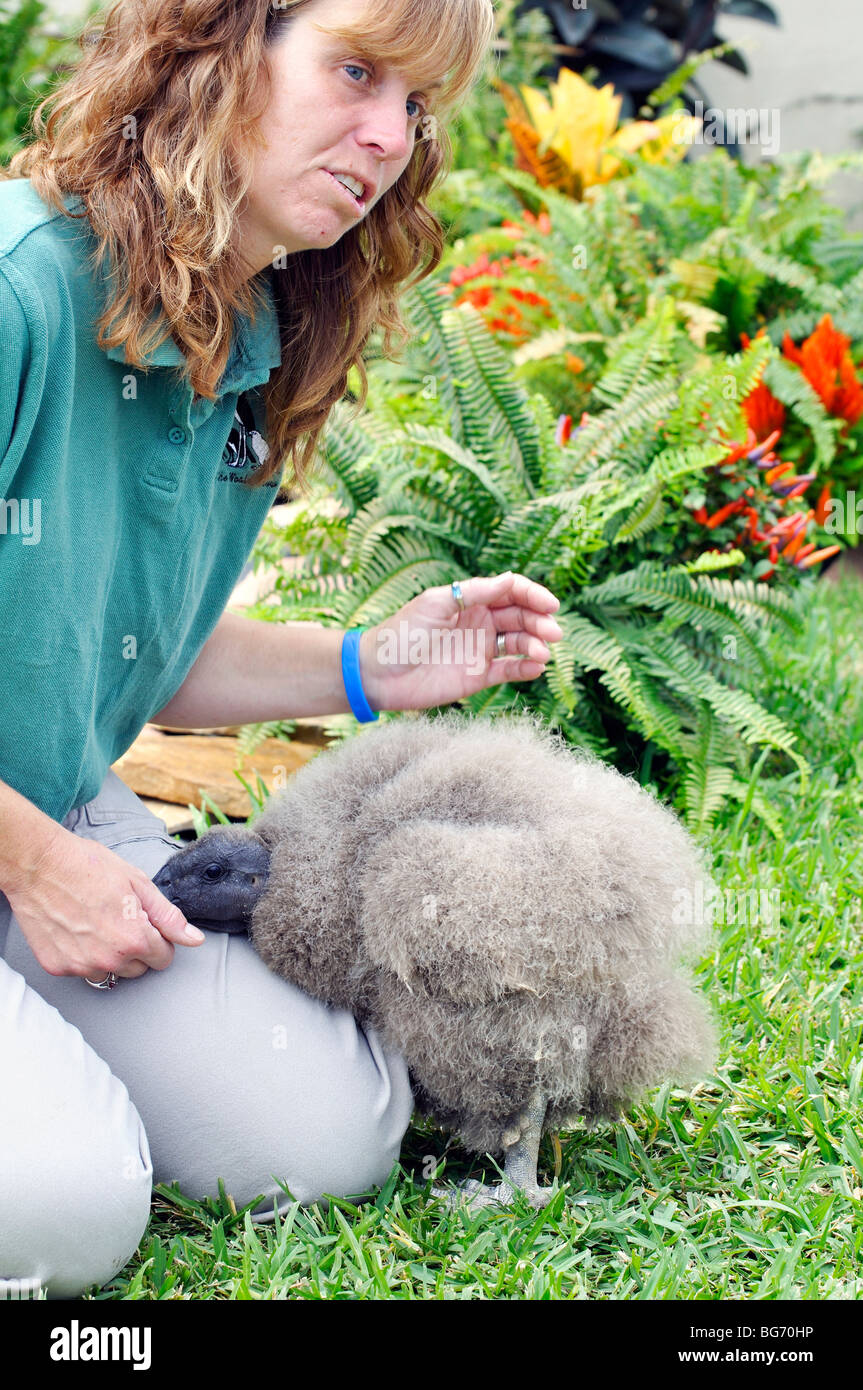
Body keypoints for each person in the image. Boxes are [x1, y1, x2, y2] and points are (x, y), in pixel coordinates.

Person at [0, 0, 563, 1299]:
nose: (386, 137)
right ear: (213, 45)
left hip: (60, 817)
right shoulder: (24, 287)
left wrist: (372, 664)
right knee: (65, 1206)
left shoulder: (252, 329)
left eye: (415, 105)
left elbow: (124, 640)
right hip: (33, 842)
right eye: (355, 70)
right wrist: (36, 864)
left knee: (317, 1134)